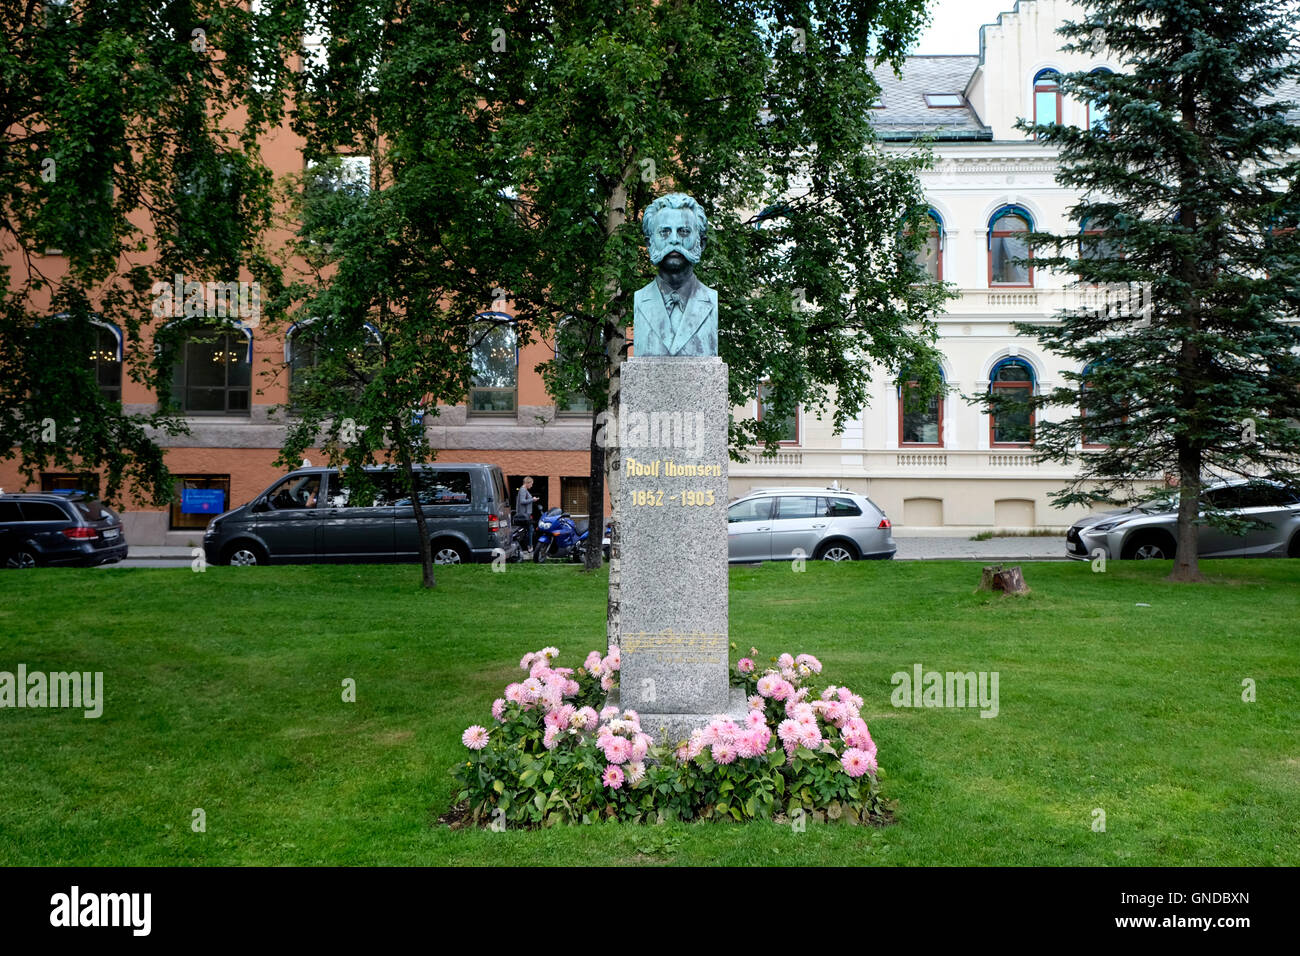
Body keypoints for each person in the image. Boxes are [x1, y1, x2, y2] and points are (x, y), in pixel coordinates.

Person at [633, 193, 718, 356]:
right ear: (649, 243)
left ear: (702, 242)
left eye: (684, 232)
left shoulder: (711, 299)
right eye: (664, 232)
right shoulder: (640, 300)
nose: (674, 240)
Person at [515, 477, 536, 554]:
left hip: (525, 514)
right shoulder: (523, 490)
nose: (531, 485)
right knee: (530, 530)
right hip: (524, 515)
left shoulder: (523, 490)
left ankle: (524, 547)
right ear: (527, 483)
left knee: (526, 530)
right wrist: (532, 499)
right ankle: (529, 546)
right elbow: (522, 501)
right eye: (531, 484)